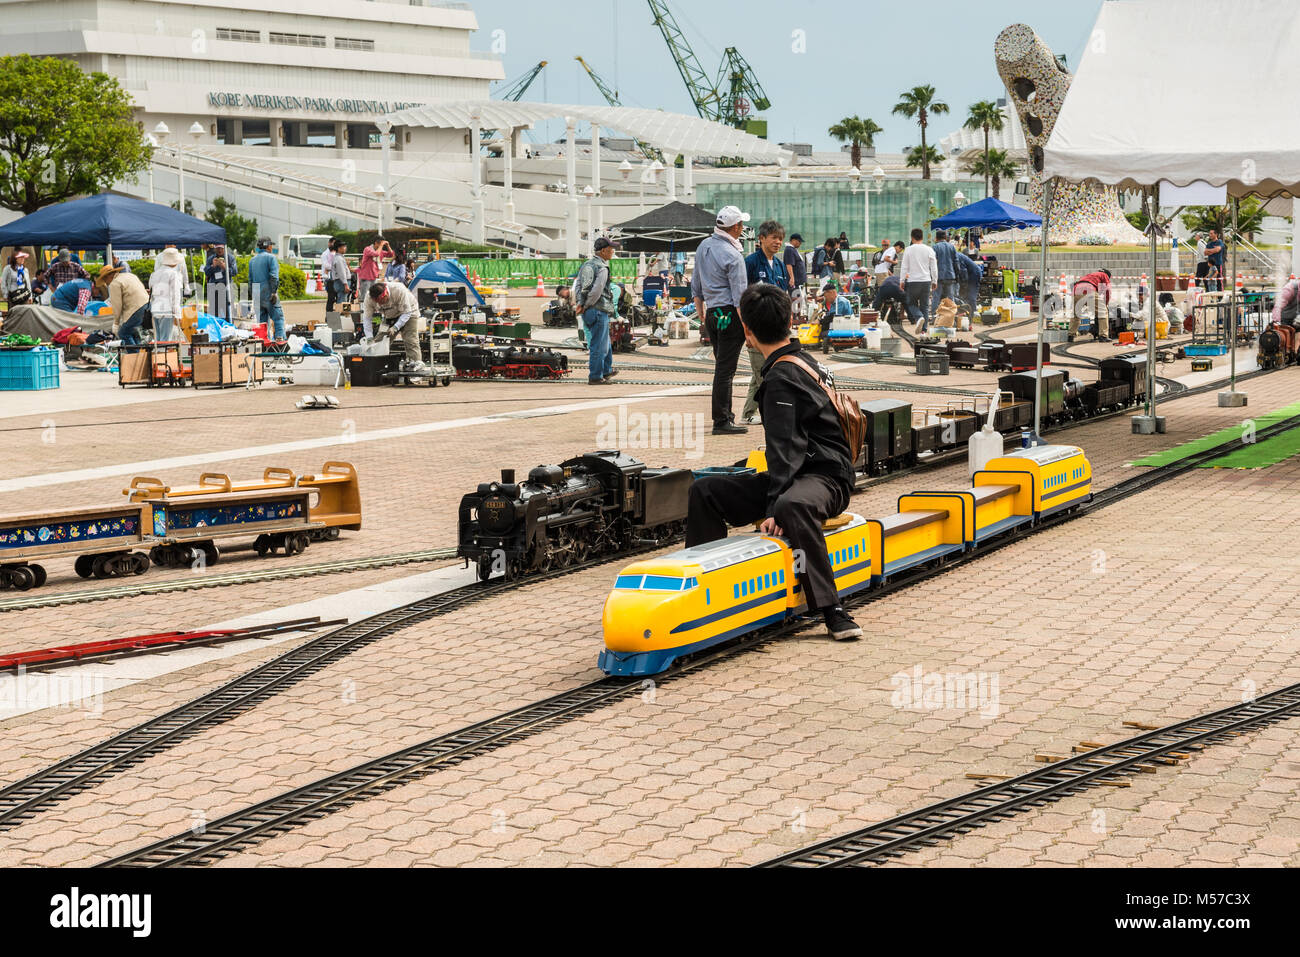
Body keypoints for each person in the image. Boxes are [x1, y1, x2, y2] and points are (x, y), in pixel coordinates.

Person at [685, 282, 863, 642]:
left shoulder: (782, 377)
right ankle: (702, 593)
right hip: (801, 471)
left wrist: (772, 509)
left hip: (827, 478)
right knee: (705, 492)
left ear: (747, 330)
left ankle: (832, 610)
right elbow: (787, 455)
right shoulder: (799, 358)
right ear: (788, 320)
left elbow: (785, 451)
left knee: (790, 504)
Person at [691, 206, 750, 433]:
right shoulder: (733, 255)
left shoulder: (703, 246)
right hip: (730, 315)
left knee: (722, 366)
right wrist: (747, 328)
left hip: (713, 315)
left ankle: (726, 414)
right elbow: (740, 297)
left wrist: (703, 314)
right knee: (726, 370)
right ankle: (722, 420)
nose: (742, 229)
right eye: (741, 225)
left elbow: (696, 285)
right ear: (735, 227)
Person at [741, 219, 790, 424]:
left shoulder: (779, 265)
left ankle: (747, 413)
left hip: (775, 329)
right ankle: (768, 415)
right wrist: (747, 331)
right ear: (761, 239)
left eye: (780, 239)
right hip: (757, 327)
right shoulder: (751, 262)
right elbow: (742, 297)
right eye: (773, 238)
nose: (777, 242)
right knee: (763, 374)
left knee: (762, 371)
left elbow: (785, 296)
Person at [574, 236, 620, 385]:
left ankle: (606, 370)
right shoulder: (602, 268)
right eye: (611, 249)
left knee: (604, 342)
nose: (613, 251)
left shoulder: (586, 265)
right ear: (603, 251)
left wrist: (580, 304)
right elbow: (597, 290)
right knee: (598, 345)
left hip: (588, 310)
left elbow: (578, 286)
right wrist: (587, 305)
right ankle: (595, 376)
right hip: (598, 309)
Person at [363, 280, 426, 371]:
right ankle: (377, 367)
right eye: (378, 303)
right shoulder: (368, 298)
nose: (380, 304)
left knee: (410, 340)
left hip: (409, 313)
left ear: (386, 294)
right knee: (379, 341)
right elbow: (367, 319)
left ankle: (416, 366)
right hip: (389, 315)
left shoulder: (398, 290)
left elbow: (407, 312)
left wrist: (396, 327)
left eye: (382, 301)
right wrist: (369, 337)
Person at [96, 263, 151, 346]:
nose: (106, 283)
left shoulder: (114, 284)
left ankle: (134, 355)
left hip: (135, 309)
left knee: (123, 333)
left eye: (105, 280)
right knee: (134, 333)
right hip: (147, 305)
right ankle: (139, 354)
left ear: (108, 277)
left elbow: (117, 305)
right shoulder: (130, 275)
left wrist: (116, 323)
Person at [900, 228, 938, 333]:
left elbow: (904, 267)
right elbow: (934, 267)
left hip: (913, 281)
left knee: (911, 303)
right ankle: (924, 331)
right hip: (926, 281)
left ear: (912, 238)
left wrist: (902, 281)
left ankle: (919, 316)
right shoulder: (929, 249)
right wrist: (935, 280)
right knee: (924, 305)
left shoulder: (908, 249)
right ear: (922, 237)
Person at [248, 238, 285, 340]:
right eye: (271, 245)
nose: (272, 247)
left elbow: (250, 281)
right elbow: (274, 276)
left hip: (257, 295)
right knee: (278, 319)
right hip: (268, 293)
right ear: (268, 246)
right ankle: (279, 343)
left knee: (262, 323)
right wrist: (273, 292)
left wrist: (253, 296)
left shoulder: (252, 261)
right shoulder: (271, 258)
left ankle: (264, 344)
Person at [146, 246, 186, 340]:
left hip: (155, 308)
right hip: (167, 310)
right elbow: (175, 294)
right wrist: (177, 314)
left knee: (158, 339)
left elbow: (151, 290)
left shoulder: (154, 274)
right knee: (166, 339)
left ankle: (158, 355)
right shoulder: (173, 274)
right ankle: (163, 355)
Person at [1072, 268, 1113, 341]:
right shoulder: (1104, 275)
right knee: (1103, 312)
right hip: (1089, 289)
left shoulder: (1091, 275)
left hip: (1076, 290)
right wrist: (1105, 304)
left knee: (1076, 315)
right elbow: (1108, 291)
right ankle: (1103, 336)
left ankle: (1071, 335)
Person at [816, 279, 855, 354]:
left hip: (844, 327)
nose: (825, 298)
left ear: (831, 293)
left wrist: (819, 321)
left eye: (825, 295)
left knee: (822, 334)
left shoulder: (840, 301)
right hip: (840, 325)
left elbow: (833, 317)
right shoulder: (835, 302)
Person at [930, 229, 960, 318]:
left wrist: (932, 277)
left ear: (936, 238)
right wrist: (957, 274)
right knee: (950, 298)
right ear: (945, 237)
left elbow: (932, 263)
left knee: (936, 297)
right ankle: (952, 317)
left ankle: (934, 317)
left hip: (939, 277)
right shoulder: (951, 247)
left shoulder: (935, 247)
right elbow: (956, 262)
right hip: (950, 276)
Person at [204, 243, 236, 320]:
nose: (220, 250)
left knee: (228, 312)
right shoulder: (211, 258)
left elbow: (234, 272)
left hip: (226, 287)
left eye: (221, 248)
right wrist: (212, 266)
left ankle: (228, 328)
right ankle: (216, 328)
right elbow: (206, 272)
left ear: (224, 248)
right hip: (214, 288)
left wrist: (224, 267)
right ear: (215, 248)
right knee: (214, 312)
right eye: (218, 248)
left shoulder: (230, 258)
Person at [784, 233, 807, 307]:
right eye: (799, 241)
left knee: (798, 299)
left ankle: (796, 315)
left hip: (798, 281)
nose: (800, 243)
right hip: (794, 281)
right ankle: (794, 316)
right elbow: (789, 264)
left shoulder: (793, 250)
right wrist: (792, 278)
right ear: (793, 240)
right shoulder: (789, 250)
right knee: (795, 299)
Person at [330, 240, 353, 310]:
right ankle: (342, 317)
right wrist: (345, 284)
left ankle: (341, 316)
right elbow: (342, 273)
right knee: (342, 301)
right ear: (339, 248)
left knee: (342, 300)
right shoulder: (339, 259)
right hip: (341, 282)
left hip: (339, 282)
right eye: (344, 247)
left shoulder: (338, 258)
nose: (345, 248)